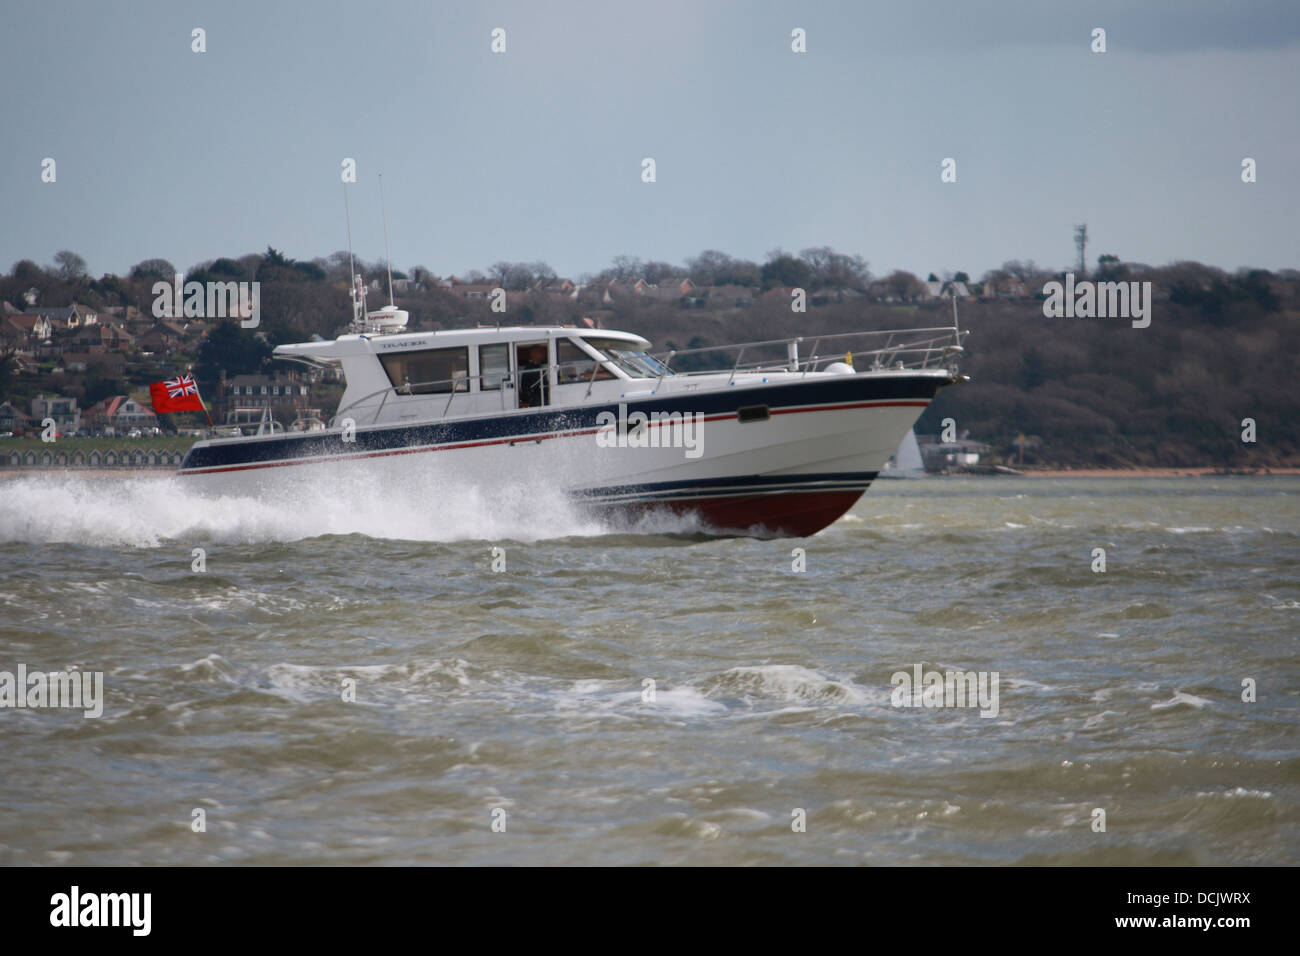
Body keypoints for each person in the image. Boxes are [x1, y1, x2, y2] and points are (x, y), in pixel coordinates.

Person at [518, 344, 548, 408]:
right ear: (533, 354)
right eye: (540, 351)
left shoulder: (540, 367)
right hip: (537, 402)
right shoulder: (529, 369)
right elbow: (526, 388)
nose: (543, 353)